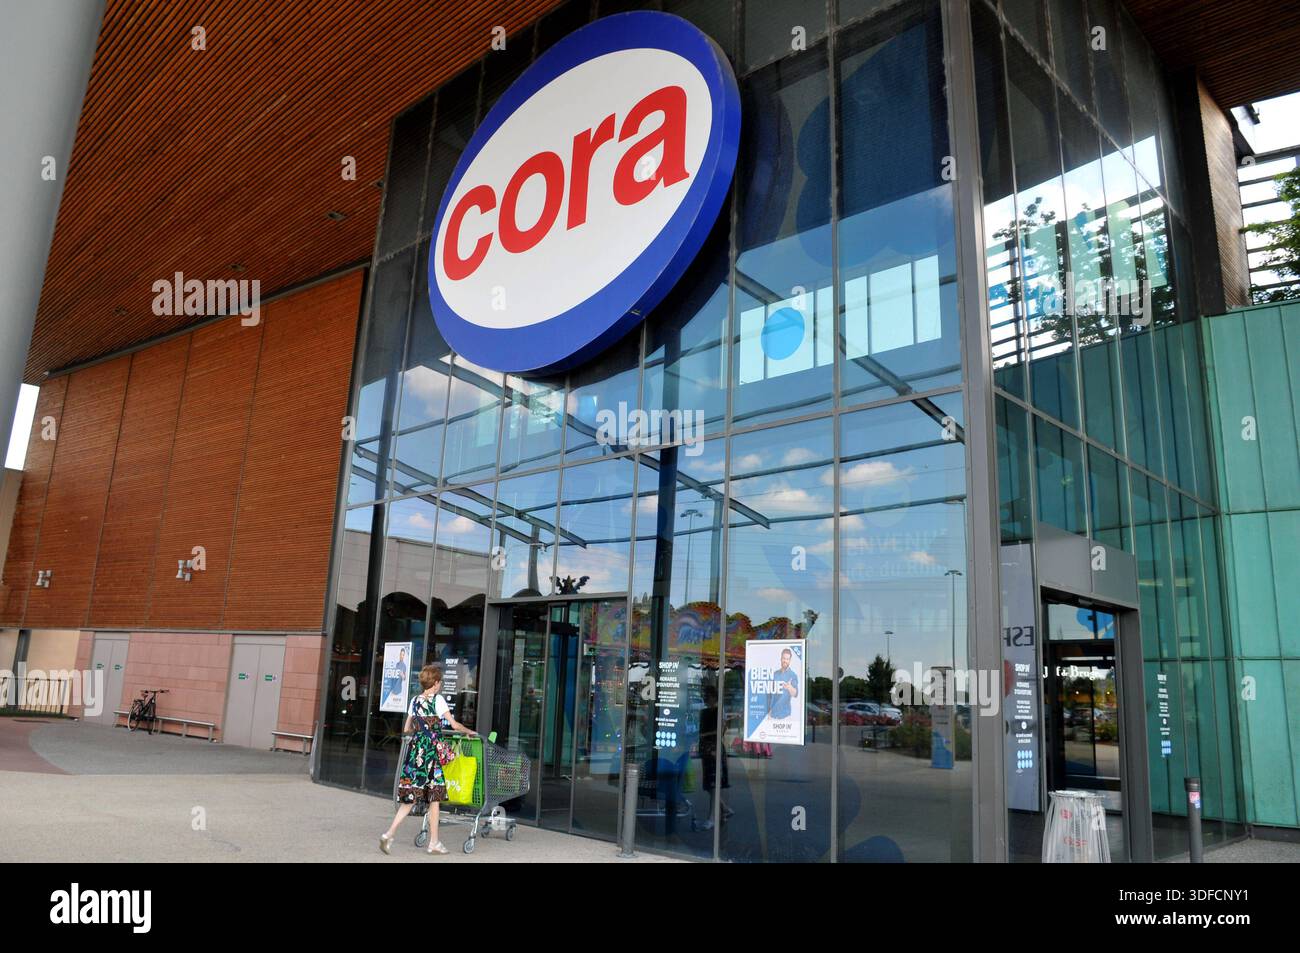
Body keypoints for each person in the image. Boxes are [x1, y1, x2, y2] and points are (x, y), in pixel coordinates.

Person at [379, 664, 475, 856]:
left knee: (410, 798)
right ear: (436, 683)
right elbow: (454, 725)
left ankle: (389, 834)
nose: (439, 685)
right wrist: (469, 731)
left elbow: (407, 727)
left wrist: (420, 732)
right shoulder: (438, 701)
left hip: (416, 753)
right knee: (435, 798)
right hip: (431, 756)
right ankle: (434, 843)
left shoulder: (414, 700)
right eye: (439, 682)